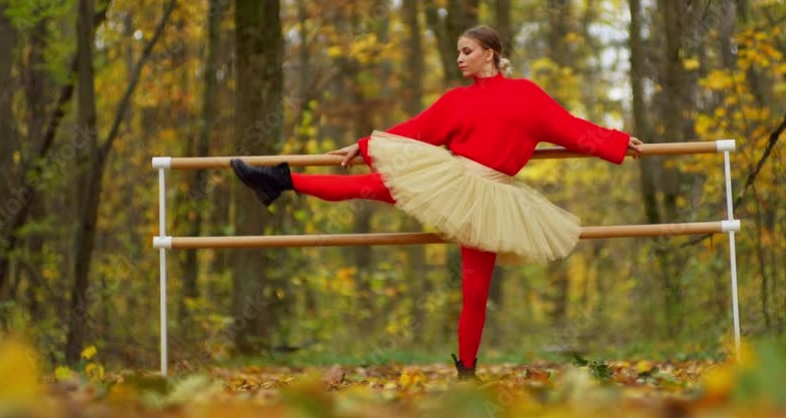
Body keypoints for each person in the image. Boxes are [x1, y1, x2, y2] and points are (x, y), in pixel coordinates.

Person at [230, 25, 644, 381]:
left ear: (491, 54)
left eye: (466, 52)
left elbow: (571, 129)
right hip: (446, 181)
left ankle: (467, 372)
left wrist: (620, 143)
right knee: (369, 187)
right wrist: (364, 144)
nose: (460, 59)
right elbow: (418, 129)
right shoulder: (457, 100)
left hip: (489, 198)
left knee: (475, 289)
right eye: (458, 53)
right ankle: (279, 179)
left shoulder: (528, 96)